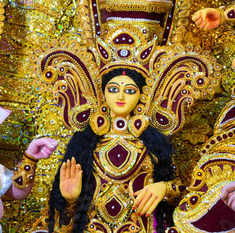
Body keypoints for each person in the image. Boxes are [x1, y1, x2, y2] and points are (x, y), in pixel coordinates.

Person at [46, 68, 175, 233]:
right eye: (113, 89)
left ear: (141, 97)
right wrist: (70, 200)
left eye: (129, 91)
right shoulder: (85, 143)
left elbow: (180, 186)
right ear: (103, 94)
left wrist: (165, 188)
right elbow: (60, 220)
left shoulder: (154, 144)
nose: (120, 97)